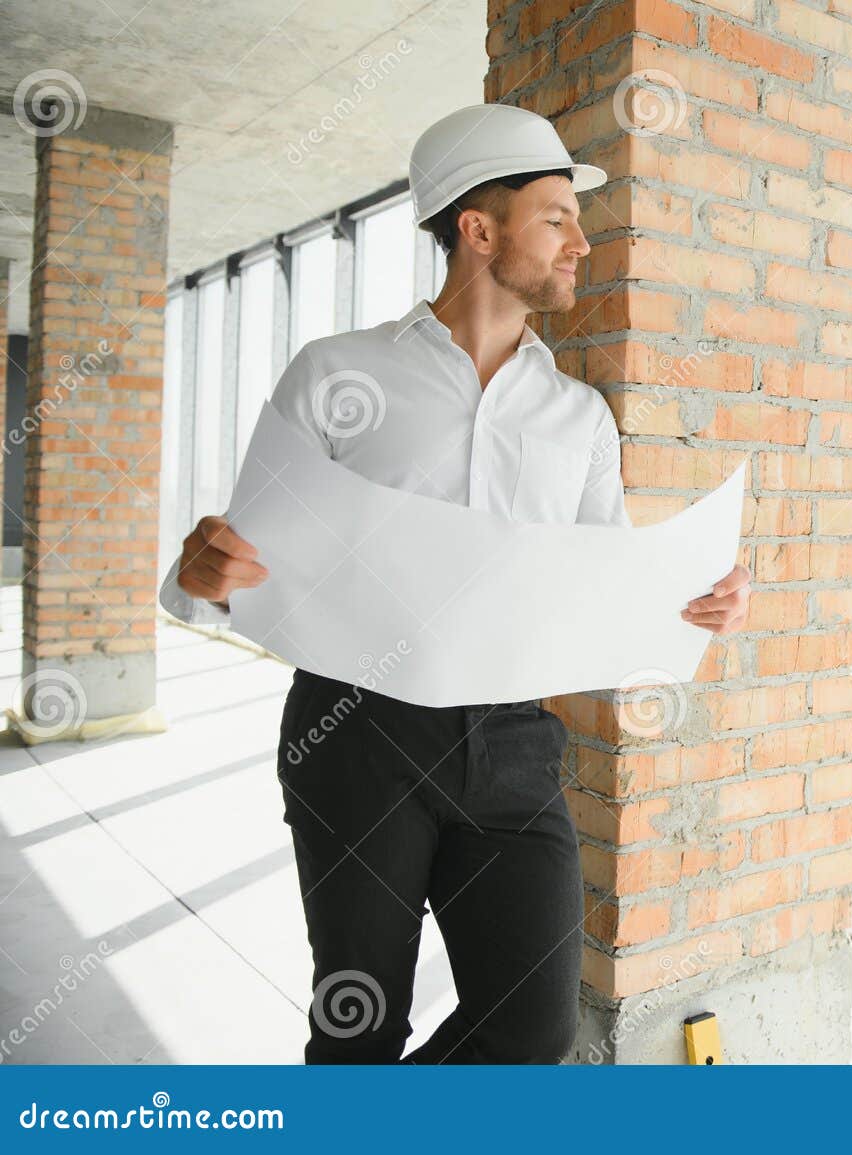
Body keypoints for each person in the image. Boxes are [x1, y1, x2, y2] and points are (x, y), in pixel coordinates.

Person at [158, 104, 751, 1063]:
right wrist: (200, 574)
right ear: (478, 230)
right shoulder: (337, 375)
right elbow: (235, 564)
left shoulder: (579, 419)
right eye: (557, 216)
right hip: (354, 735)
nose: (580, 241)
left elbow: (604, 593)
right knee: (357, 1029)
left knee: (533, 1025)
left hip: (515, 747)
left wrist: (695, 602)